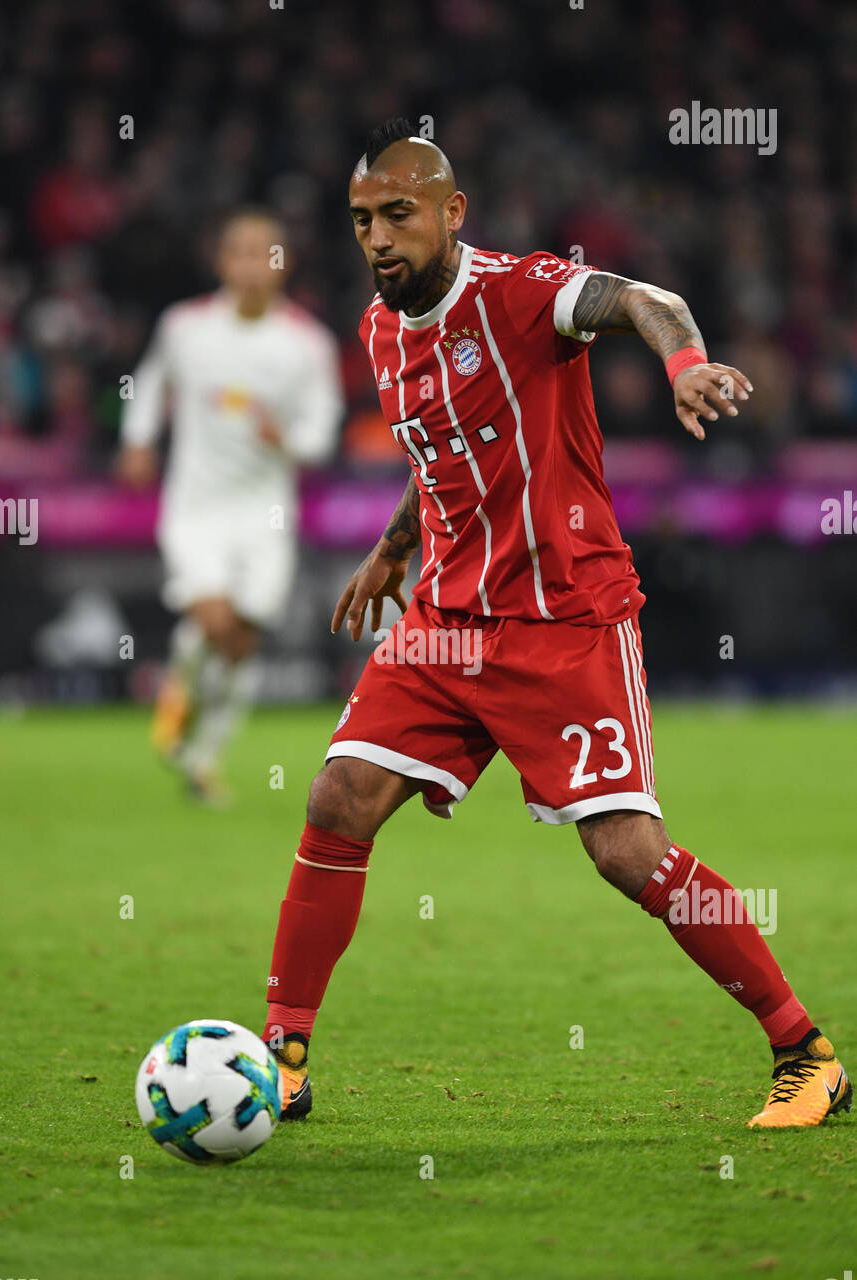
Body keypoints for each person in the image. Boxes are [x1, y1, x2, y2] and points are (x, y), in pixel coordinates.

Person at [262, 119, 849, 1131]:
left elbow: (647, 300)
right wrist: (397, 546)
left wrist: (683, 368)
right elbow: (439, 448)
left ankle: (807, 1051)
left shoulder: (522, 290)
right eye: (362, 221)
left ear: (451, 213)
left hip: (564, 618)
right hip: (447, 616)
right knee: (338, 797)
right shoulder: (379, 327)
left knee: (627, 852)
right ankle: (283, 1052)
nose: (378, 239)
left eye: (398, 215)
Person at [117, 208, 343, 803]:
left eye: (264, 252)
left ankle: (201, 757)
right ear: (221, 260)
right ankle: (181, 703)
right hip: (195, 508)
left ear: (282, 264)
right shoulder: (185, 327)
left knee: (240, 640)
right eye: (239, 251)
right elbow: (148, 384)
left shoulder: (306, 343)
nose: (251, 264)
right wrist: (138, 441)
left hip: (266, 515)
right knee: (214, 620)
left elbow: (322, 431)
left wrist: (286, 440)